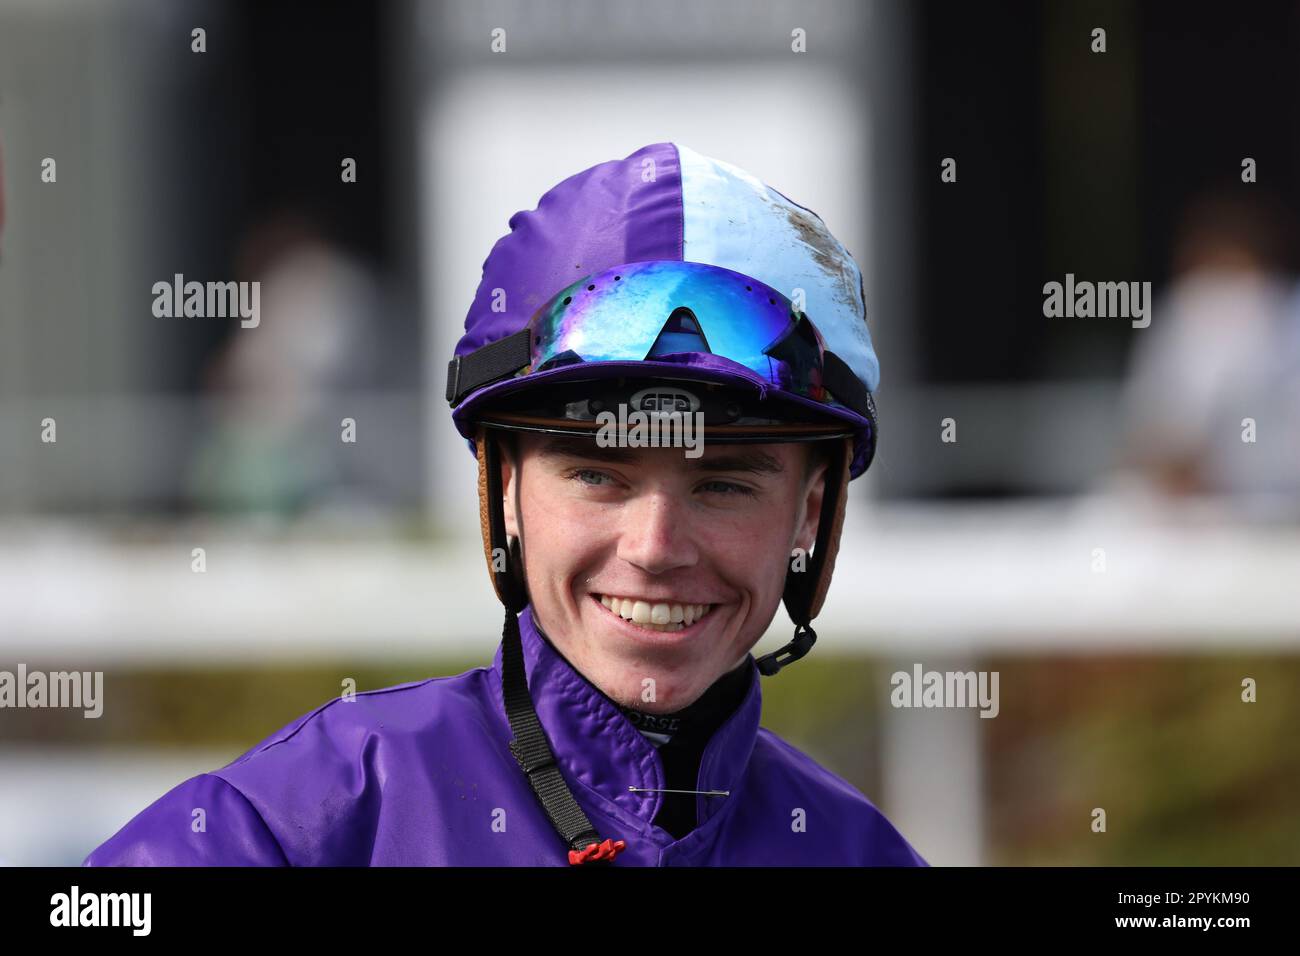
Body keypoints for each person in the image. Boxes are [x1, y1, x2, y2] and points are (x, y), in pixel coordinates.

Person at [83, 142, 927, 866]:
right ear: (505, 489)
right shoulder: (291, 824)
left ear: (810, 514)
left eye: (724, 485)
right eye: (598, 476)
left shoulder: (860, 853)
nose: (656, 546)